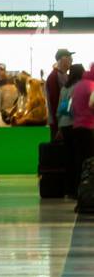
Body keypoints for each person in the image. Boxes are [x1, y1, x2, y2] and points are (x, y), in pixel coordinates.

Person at [68, 64, 94, 198]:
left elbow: (70, 109)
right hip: (89, 127)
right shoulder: (92, 86)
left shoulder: (78, 86)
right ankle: (89, 192)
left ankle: (77, 191)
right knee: (90, 162)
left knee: (79, 160)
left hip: (77, 127)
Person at [46, 48, 74, 139]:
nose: (71, 59)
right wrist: (59, 127)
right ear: (61, 59)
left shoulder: (65, 75)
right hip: (58, 123)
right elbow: (54, 101)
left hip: (65, 122)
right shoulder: (54, 77)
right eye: (68, 57)